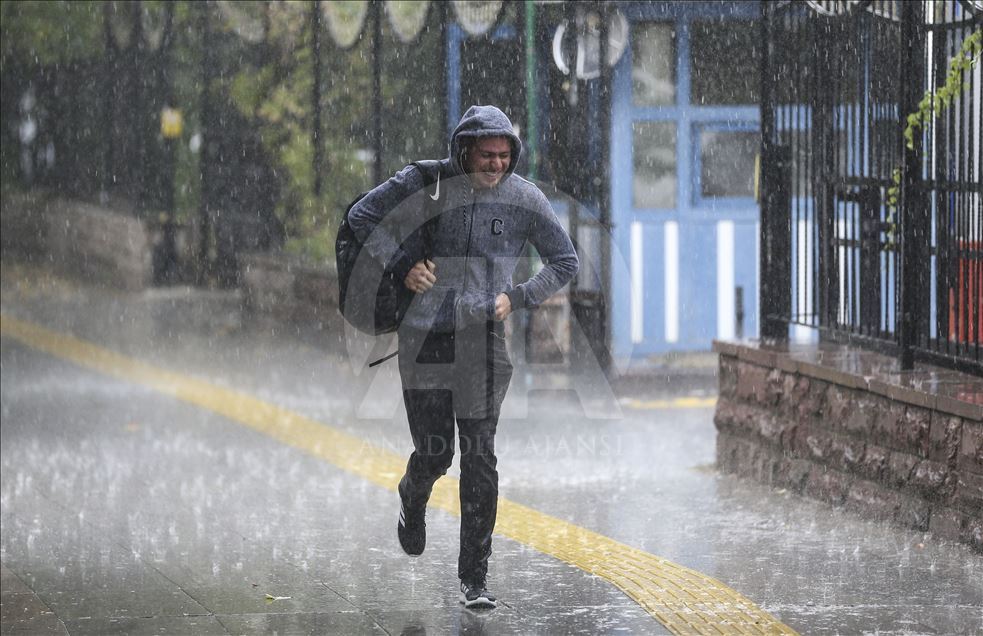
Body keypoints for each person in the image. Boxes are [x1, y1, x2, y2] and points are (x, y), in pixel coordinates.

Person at [347, 105, 579, 609]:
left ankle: (475, 578)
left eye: (504, 155)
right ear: (465, 149)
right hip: (424, 335)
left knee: (480, 457)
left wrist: (516, 297)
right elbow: (362, 216)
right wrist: (405, 263)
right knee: (437, 452)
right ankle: (414, 491)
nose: (496, 164)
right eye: (486, 154)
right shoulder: (428, 183)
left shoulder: (524, 198)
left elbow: (565, 259)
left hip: (483, 340)